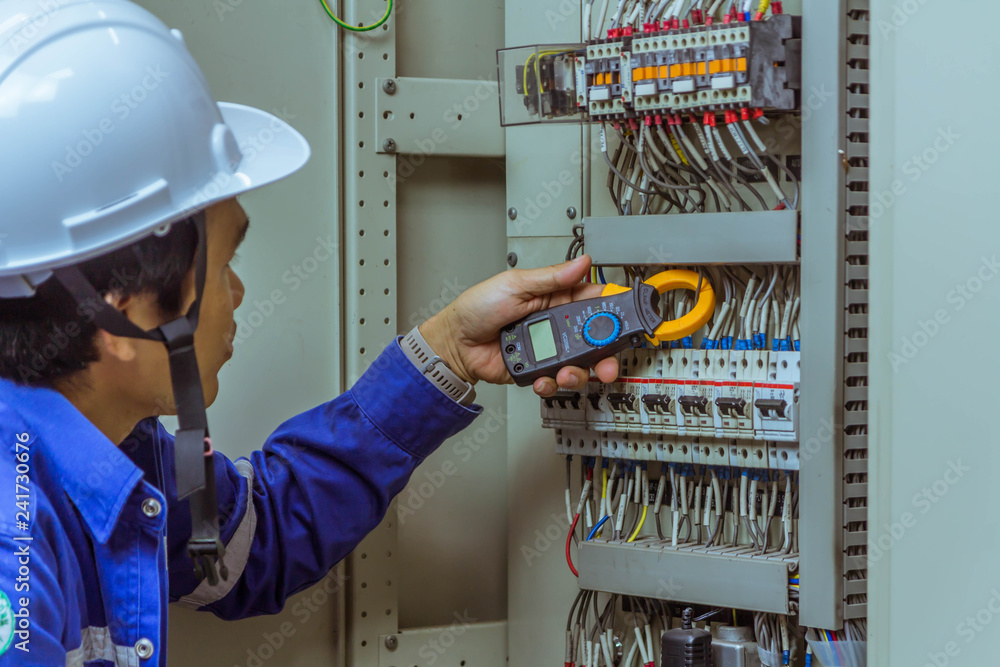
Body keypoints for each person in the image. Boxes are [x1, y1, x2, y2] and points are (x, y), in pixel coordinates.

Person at [0, 0, 619, 663]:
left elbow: (257, 540)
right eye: (226, 261)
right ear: (118, 309)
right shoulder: (14, 547)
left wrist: (446, 352)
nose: (237, 292)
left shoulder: (122, 447)